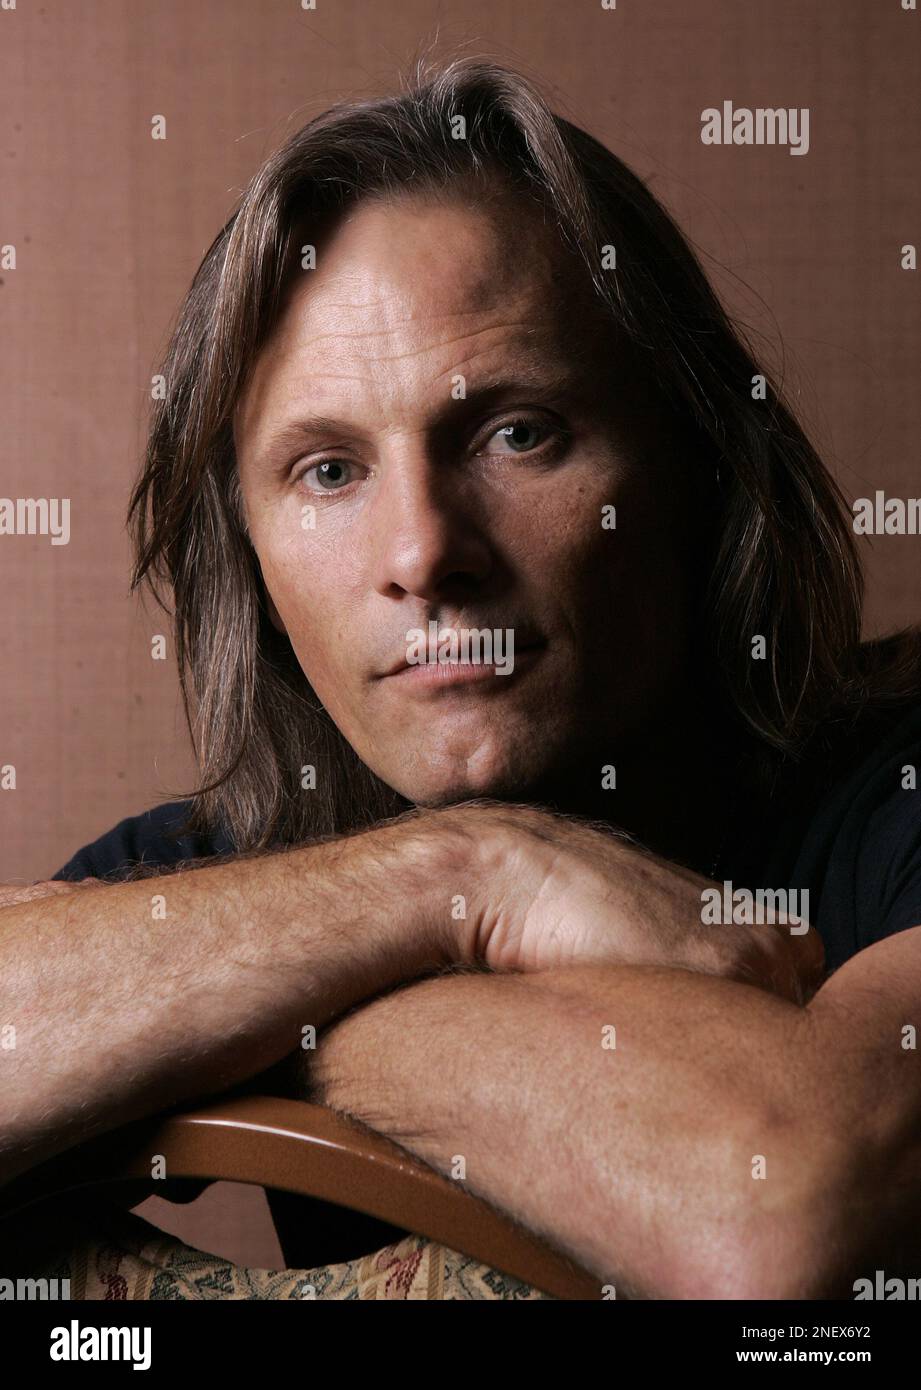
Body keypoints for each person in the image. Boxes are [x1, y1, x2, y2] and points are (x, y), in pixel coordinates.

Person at [4, 55, 921, 1300]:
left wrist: (273, 1020)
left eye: (515, 433)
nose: (425, 551)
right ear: (253, 556)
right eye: (328, 470)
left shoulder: (891, 804)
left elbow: (784, 1217)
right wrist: (463, 878)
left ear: (698, 465)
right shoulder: (249, 865)